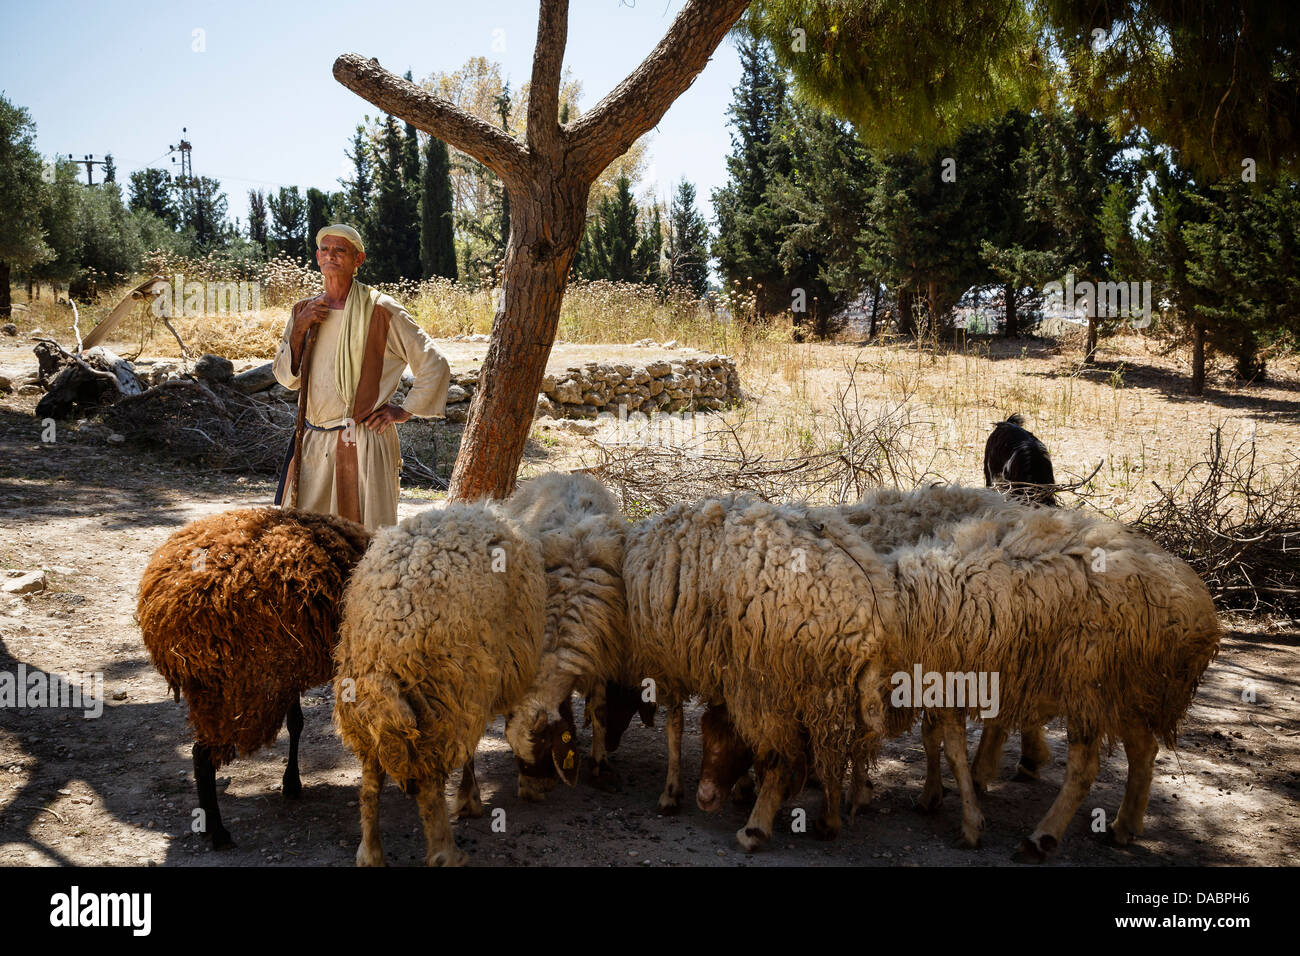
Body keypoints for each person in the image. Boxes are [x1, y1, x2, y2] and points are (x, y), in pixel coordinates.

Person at [272, 224, 450, 529]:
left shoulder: (380, 309)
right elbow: (287, 378)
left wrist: (403, 410)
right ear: (317, 257)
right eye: (325, 250)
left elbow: (434, 362)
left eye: (340, 250)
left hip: (362, 442)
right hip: (312, 441)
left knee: (363, 539)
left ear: (358, 260)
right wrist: (300, 328)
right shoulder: (304, 310)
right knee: (304, 536)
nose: (331, 256)